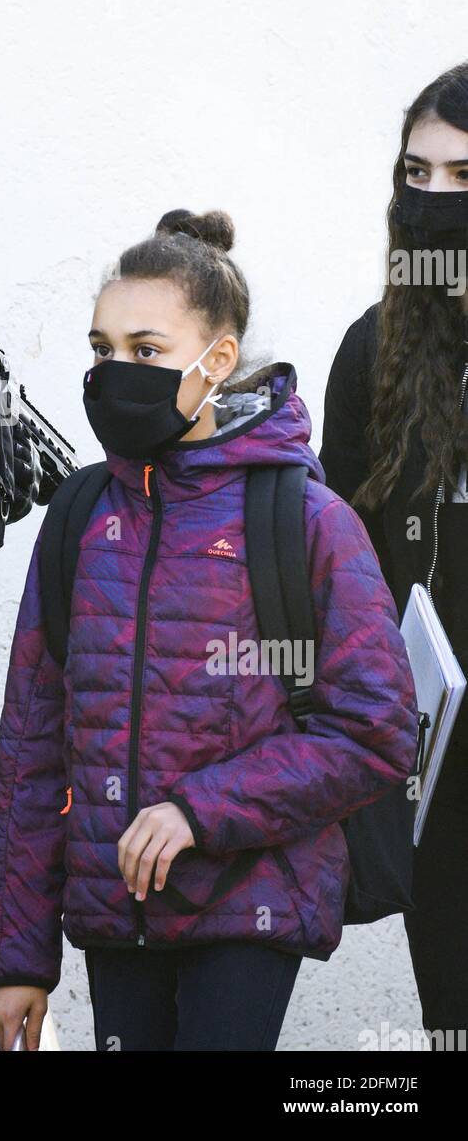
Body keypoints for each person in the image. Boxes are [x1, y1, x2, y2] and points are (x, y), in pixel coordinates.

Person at [0, 210, 419, 1051]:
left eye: (146, 350)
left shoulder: (306, 518)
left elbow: (377, 729)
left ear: (217, 362)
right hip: (112, 917)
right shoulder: (79, 515)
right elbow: (31, 748)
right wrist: (13, 956)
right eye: (102, 349)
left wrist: (197, 811)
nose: (114, 372)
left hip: (251, 910)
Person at [321, 61, 468, 1044]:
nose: (433, 200)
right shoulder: (374, 354)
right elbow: (339, 567)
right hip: (441, 760)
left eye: (463, 176)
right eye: (417, 174)